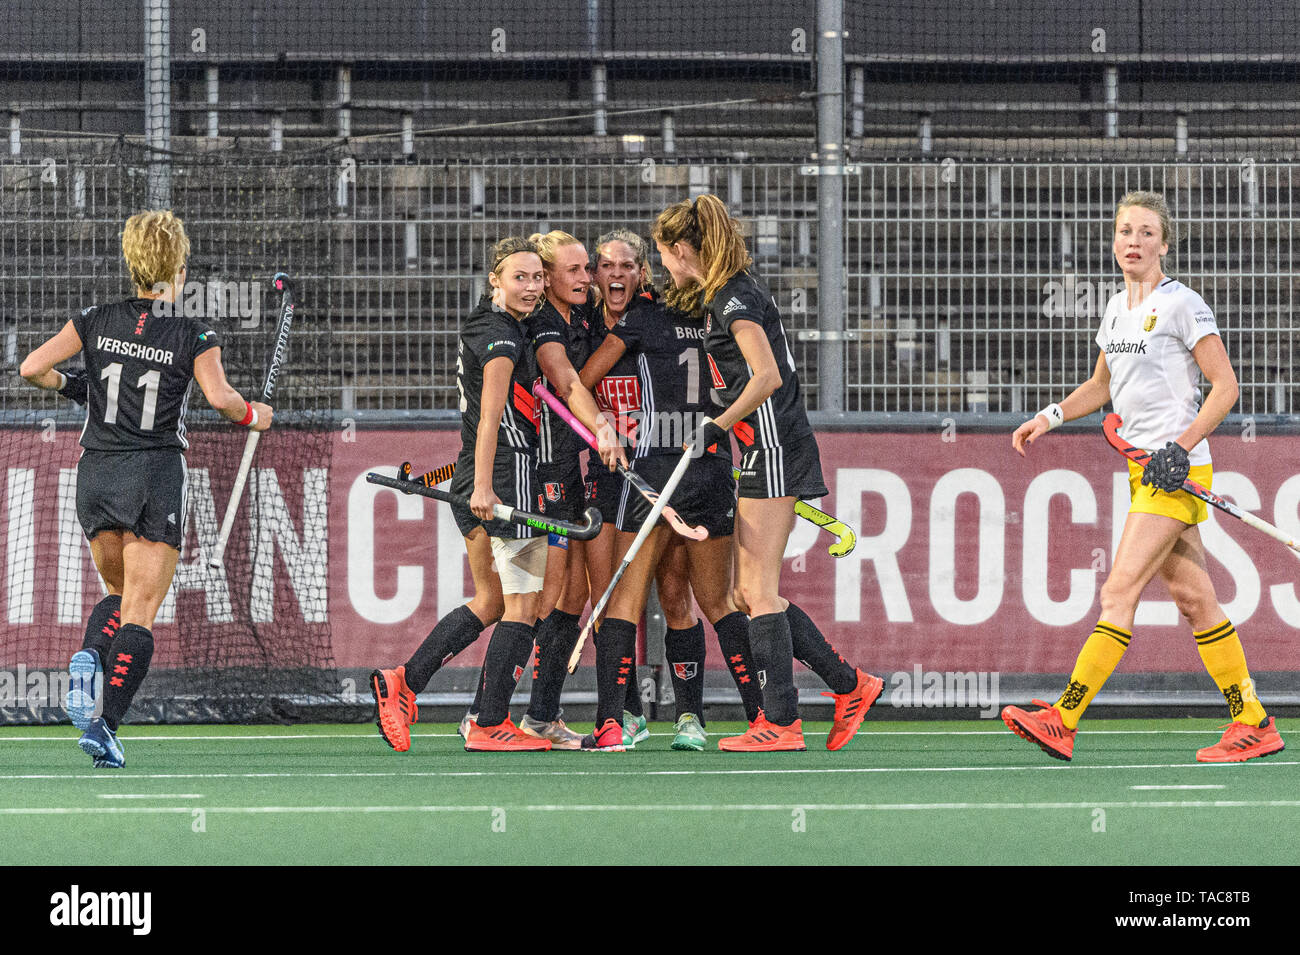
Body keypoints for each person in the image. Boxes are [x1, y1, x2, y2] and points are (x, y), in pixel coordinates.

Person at [1002, 191, 1284, 763]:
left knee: (1118, 591)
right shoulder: (1114, 307)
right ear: (1114, 241)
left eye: (1146, 233)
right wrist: (1048, 417)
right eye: (1125, 231)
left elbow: (1225, 389)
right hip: (1144, 470)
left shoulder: (1184, 305)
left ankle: (1064, 716)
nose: (1134, 241)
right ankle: (1253, 720)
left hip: (1173, 472)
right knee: (1195, 601)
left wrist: (1180, 449)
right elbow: (1102, 386)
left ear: (1163, 244)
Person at [18, 209, 272, 768]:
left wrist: (79, 389)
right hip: (153, 474)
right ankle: (105, 725)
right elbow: (223, 400)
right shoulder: (193, 331)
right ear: (178, 270)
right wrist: (256, 414)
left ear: (131, 264)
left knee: (116, 594)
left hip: (96, 475)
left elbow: (31, 367)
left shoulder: (94, 318)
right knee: (141, 610)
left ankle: (89, 655)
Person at [369, 236, 621, 753]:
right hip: (507, 477)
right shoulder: (503, 336)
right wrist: (483, 485)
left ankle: (404, 682)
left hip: (481, 474)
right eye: (519, 278)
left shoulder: (499, 324)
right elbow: (490, 416)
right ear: (495, 281)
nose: (530, 288)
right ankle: (488, 723)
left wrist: (459, 477)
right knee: (523, 606)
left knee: (491, 601)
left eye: (535, 278)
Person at [652, 194, 884, 751]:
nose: (663, 265)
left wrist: (715, 424)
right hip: (761, 445)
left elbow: (767, 375)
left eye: (663, 255)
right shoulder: (722, 294)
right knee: (747, 591)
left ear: (683, 250)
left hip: (773, 443)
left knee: (755, 591)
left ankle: (781, 723)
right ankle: (849, 686)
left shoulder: (733, 297)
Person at [578, 252, 765, 752]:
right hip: (704, 468)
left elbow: (581, 380)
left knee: (632, 599)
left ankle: (615, 722)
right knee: (711, 602)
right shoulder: (724, 311)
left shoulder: (647, 315)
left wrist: (603, 421)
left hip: (658, 472)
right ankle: (759, 718)